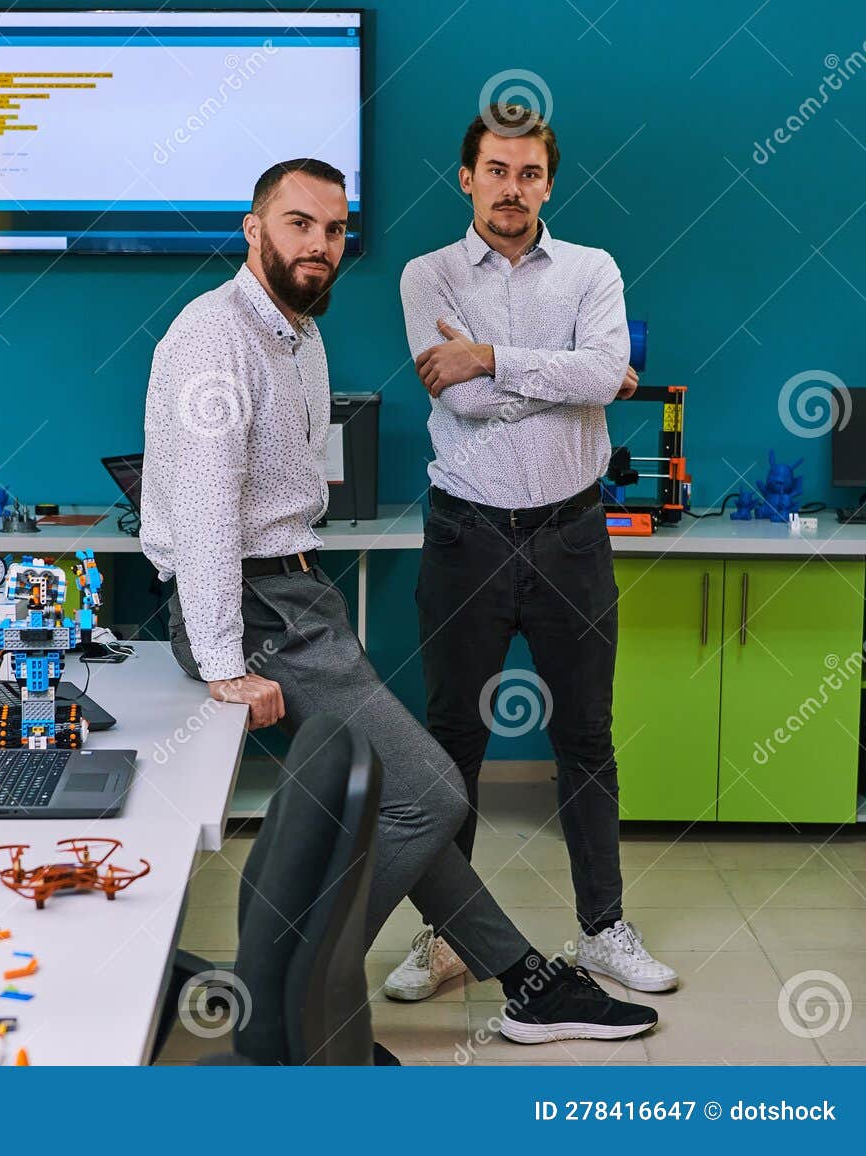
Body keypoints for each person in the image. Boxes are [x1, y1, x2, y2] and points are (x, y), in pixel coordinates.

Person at [141, 157, 658, 1045]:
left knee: (408, 790)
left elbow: (607, 375)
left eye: (336, 230)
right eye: (299, 224)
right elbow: (201, 510)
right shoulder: (213, 338)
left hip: (297, 596)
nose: (321, 245)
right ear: (253, 228)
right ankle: (280, 988)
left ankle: (529, 983)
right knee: (429, 792)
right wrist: (225, 661)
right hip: (264, 614)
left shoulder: (296, 333)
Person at [385, 104, 677, 1003]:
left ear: (550, 183)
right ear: (467, 177)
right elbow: (471, 399)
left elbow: (607, 374)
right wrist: (571, 373)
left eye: (530, 174)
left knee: (587, 738)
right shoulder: (425, 273)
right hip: (467, 534)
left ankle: (603, 931)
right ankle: (445, 938)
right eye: (497, 171)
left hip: (572, 534)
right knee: (453, 745)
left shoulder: (593, 268)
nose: (514, 189)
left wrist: (494, 359)